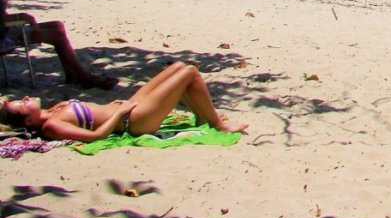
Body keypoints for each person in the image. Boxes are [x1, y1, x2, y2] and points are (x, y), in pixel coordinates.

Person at [0, 62, 247, 142]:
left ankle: (203, 116)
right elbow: (95, 137)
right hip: (132, 121)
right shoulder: (52, 126)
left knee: (179, 67)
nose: (24, 98)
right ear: (29, 120)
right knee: (191, 72)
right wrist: (119, 115)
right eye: (20, 104)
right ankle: (217, 124)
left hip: (128, 108)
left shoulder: (52, 111)